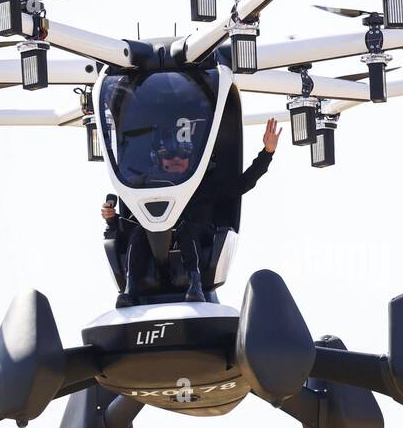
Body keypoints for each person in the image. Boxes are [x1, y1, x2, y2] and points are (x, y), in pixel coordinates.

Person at [102, 117, 283, 305]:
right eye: (170, 155)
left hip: (198, 234)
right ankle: (130, 289)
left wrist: (267, 152)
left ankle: (195, 283)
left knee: (186, 229)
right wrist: (112, 219)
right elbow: (131, 221)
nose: (177, 160)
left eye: (183, 155)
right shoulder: (148, 187)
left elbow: (244, 183)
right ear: (160, 159)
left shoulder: (204, 185)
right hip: (155, 240)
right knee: (141, 230)